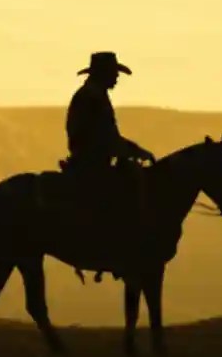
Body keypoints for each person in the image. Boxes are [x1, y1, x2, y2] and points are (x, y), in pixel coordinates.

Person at [60, 51, 155, 281]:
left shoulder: (93, 95)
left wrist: (130, 150)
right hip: (90, 163)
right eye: (114, 74)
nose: (117, 79)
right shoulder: (92, 98)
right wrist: (136, 151)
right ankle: (116, 249)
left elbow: (109, 137)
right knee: (129, 190)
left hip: (91, 159)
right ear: (104, 74)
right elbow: (107, 137)